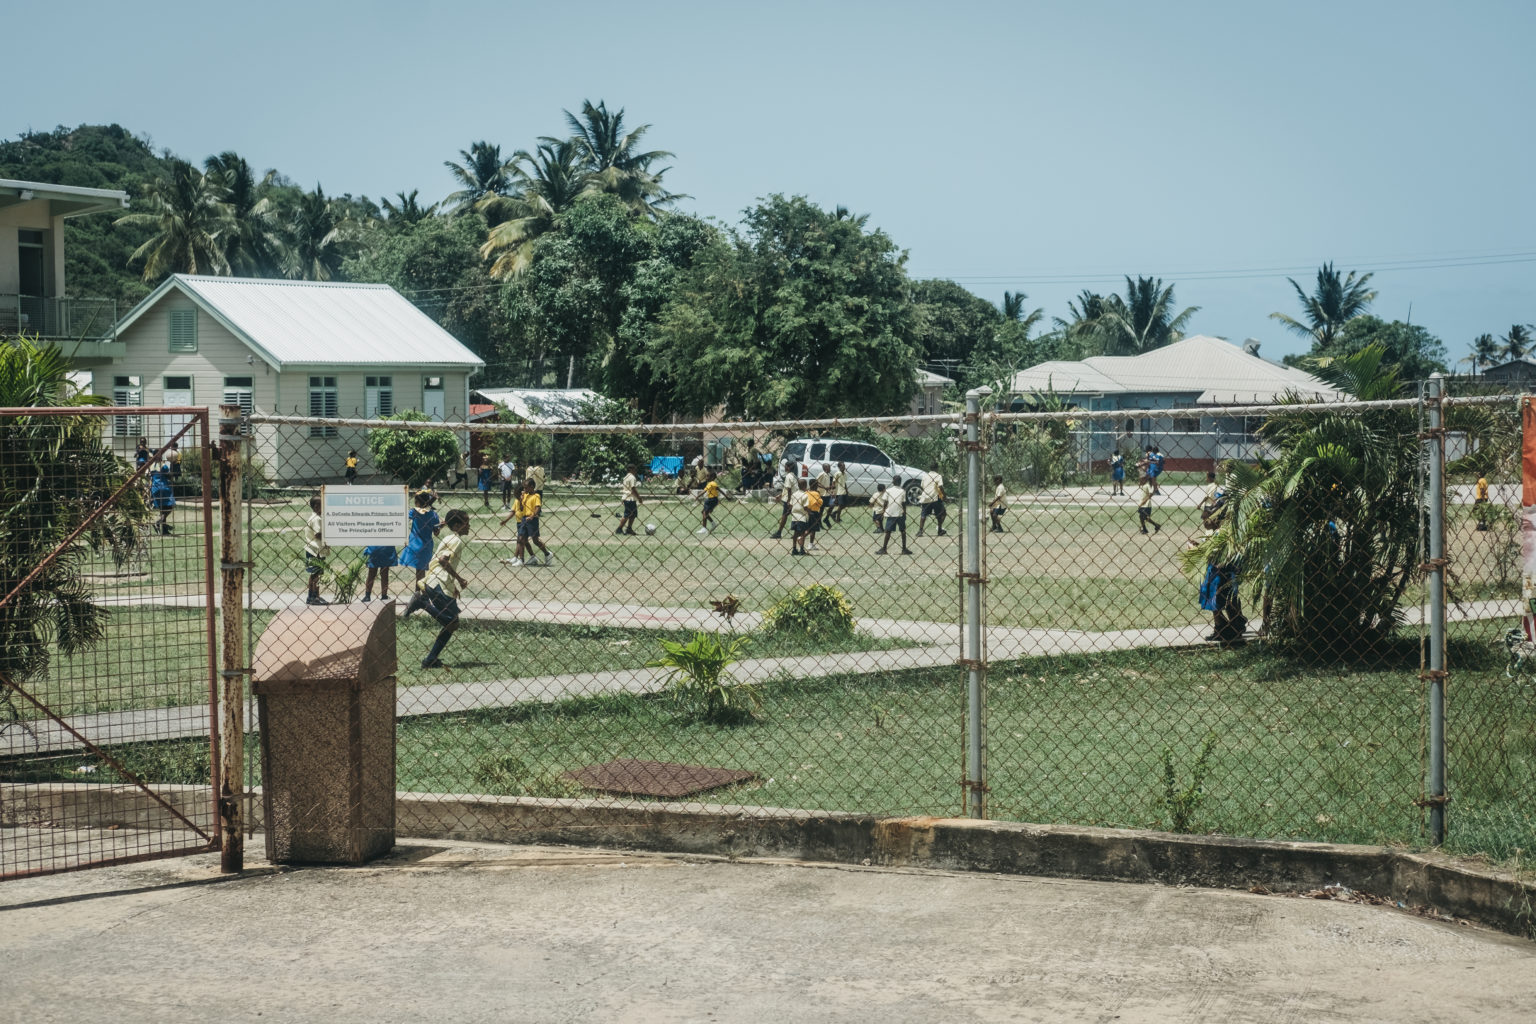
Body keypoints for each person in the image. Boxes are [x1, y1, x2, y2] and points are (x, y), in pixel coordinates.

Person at [404, 509, 471, 669]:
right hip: (438, 583)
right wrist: (460, 579)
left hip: (436, 581)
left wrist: (453, 585)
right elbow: (443, 561)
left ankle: (430, 659)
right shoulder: (456, 540)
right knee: (452, 622)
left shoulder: (449, 538)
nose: (469, 526)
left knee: (452, 623)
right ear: (457, 525)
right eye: (466, 522)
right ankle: (421, 602)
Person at [502, 478, 552, 566]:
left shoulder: (536, 496)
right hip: (524, 519)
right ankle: (521, 560)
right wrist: (521, 500)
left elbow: (538, 507)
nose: (524, 490)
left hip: (532, 520)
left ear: (531, 487)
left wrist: (532, 516)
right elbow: (521, 508)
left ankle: (547, 554)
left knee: (535, 540)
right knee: (521, 539)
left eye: (526, 488)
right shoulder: (525, 496)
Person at [400, 489, 442, 584]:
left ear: (417, 502)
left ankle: (418, 594)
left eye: (415, 501)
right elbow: (436, 532)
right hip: (426, 547)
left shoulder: (414, 512)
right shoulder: (433, 515)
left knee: (419, 574)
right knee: (421, 573)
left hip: (414, 545)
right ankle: (419, 593)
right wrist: (441, 526)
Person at [303, 496, 329, 606]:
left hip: (312, 549)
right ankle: (315, 596)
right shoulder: (317, 519)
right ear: (316, 506)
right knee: (316, 574)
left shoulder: (313, 517)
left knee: (314, 573)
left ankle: (312, 596)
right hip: (316, 550)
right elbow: (318, 534)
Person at [877, 475, 911, 555]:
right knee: (903, 531)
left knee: (888, 531)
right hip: (899, 513)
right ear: (900, 482)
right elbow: (903, 503)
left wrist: (884, 511)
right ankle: (904, 549)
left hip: (890, 513)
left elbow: (885, 502)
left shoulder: (888, 491)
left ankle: (884, 548)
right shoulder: (902, 491)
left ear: (893, 481)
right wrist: (905, 513)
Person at [917, 464, 946, 537]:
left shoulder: (925, 476)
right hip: (935, 497)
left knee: (923, 514)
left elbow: (922, 486)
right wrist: (944, 495)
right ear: (937, 468)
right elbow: (940, 486)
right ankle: (939, 529)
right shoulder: (938, 476)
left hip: (925, 497)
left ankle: (920, 531)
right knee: (941, 513)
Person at [770, 462, 798, 539]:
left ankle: (779, 532)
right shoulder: (793, 476)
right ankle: (798, 532)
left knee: (785, 516)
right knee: (795, 515)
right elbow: (787, 488)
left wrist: (789, 500)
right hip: (794, 498)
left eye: (785, 466)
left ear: (788, 467)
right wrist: (781, 495)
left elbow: (789, 489)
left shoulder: (789, 476)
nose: (784, 468)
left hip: (790, 499)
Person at [149, 461, 175, 535]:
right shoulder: (163, 465)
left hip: (155, 488)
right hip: (163, 487)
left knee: (162, 509)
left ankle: (164, 531)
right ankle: (158, 522)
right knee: (171, 505)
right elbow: (169, 476)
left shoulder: (151, 465)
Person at [617, 464, 641, 536]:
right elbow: (633, 488)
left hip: (627, 497)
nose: (636, 471)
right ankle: (619, 529)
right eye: (635, 469)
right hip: (629, 498)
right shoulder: (632, 477)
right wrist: (639, 497)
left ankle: (629, 528)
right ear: (630, 469)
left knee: (633, 514)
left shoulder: (626, 477)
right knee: (627, 514)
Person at [788, 479, 811, 555]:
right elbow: (805, 507)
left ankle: (794, 549)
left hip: (794, 516)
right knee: (802, 534)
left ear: (798, 485)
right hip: (802, 516)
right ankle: (801, 549)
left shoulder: (794, 494)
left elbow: (790, 505)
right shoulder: (805, 495)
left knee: (795, 533)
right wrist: (810, 512)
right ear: (805, 486)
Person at [698, 470, 721, 534]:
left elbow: (704, 491)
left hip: (711, 500)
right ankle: (713, 524)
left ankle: (704, 528)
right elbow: (719, 489)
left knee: (705, 513)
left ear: (712, 477)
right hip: (711, 500)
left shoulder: (712, 483)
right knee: (703, 512)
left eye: (708, 476)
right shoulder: (711, 484)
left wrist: (697, 496)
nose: (706, 478)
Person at [806, 479, 825, 551]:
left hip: (807, 512)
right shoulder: (816, 494)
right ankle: (810, 543)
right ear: (815, 485)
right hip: (814, 512)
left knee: (808, 527)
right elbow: (820, 502)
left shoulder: (806, 492)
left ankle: (802, 538)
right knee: (813, 529)